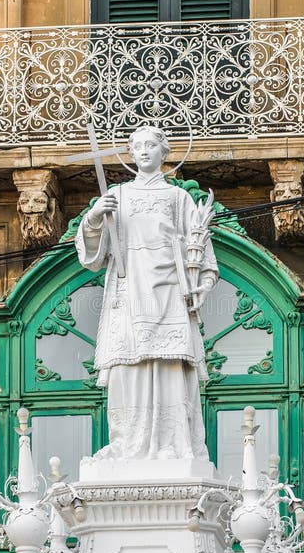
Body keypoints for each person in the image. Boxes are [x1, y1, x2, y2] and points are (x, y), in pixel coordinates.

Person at [75, 125, 218, 460]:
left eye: (151, 145)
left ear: (164, 152)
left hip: (169, 290)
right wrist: (95, 216)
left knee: (168, 363)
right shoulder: (118, 195)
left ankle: (171, 443)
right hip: (128, 291)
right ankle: (128, 444)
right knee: (128, 366)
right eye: (137, 146)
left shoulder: (178, 197)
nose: (143, 151)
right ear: (130, 153)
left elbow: (200, 249)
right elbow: (93, 256)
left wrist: (203, 287)